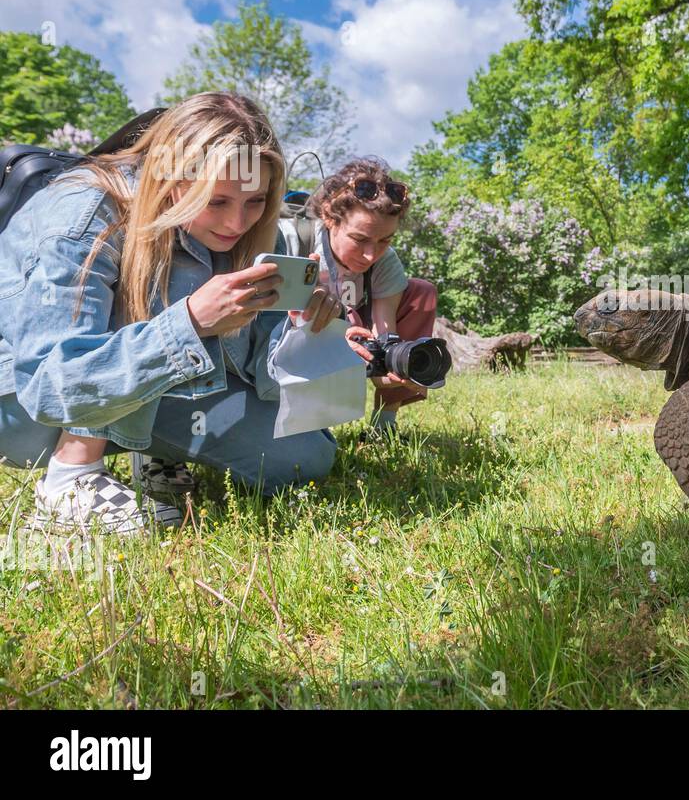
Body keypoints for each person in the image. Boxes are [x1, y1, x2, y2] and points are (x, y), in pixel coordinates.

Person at [0, 93, 344, 535]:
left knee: (303, 458)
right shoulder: (86, 211)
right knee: (147, 272)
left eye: (255, 200)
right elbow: (50, 384)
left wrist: (300, 330)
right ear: (170, 180)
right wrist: (192, 322)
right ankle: (70, 480)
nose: (237, 222)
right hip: (22, 408)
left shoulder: (260, 234)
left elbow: (260, 370)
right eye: (216, 201)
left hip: (157, 391)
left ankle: (149, 448)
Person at [279, 157, 438, 437]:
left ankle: (384, 424)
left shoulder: (384, 261)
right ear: (329, 216)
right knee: (339, 312)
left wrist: (388, 361)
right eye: (360, 239)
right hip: (291, 336)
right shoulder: (291, 241)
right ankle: (305, 419)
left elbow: (385, 329)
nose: (370, 254)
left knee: (420, 293)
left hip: (352, 324)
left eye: (384, 240)